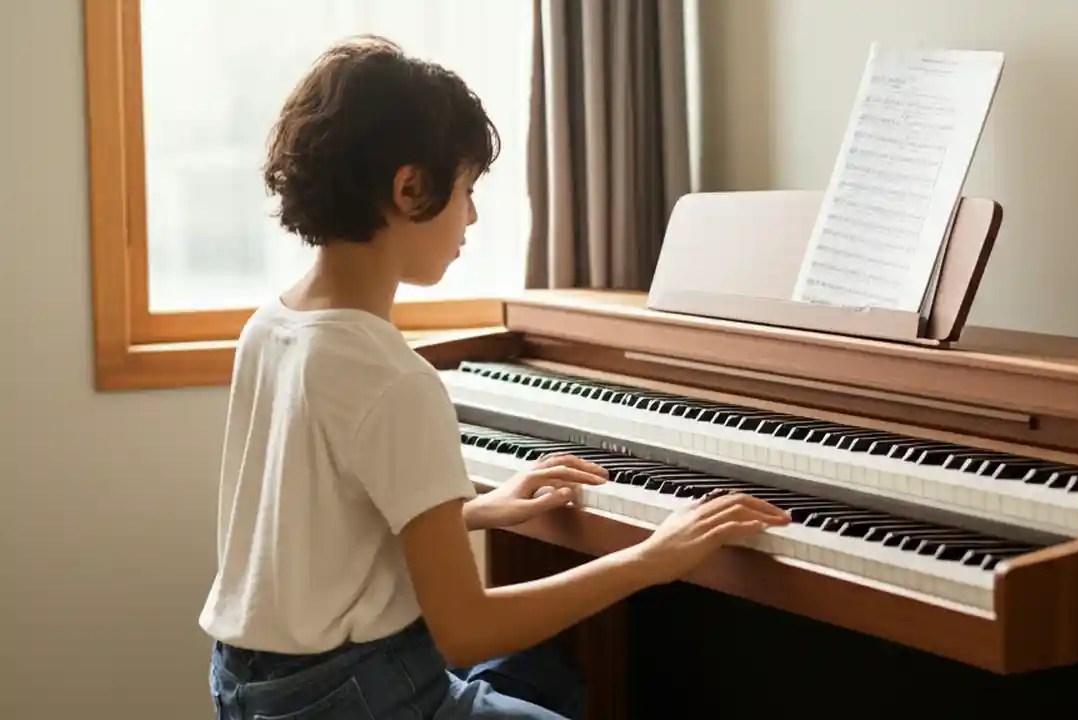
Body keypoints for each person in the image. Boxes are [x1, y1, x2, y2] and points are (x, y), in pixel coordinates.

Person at [198, 35, 790, 720]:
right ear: (409, 187)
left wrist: (468, 512)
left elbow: (317, 526)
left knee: (545, 676)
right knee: (532, 673)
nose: (472, 217)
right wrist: (653, 559)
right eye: (468, 190)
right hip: (360, 695)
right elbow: (467, 630)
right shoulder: (394, 378)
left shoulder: (271, 327)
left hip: (251, 688)